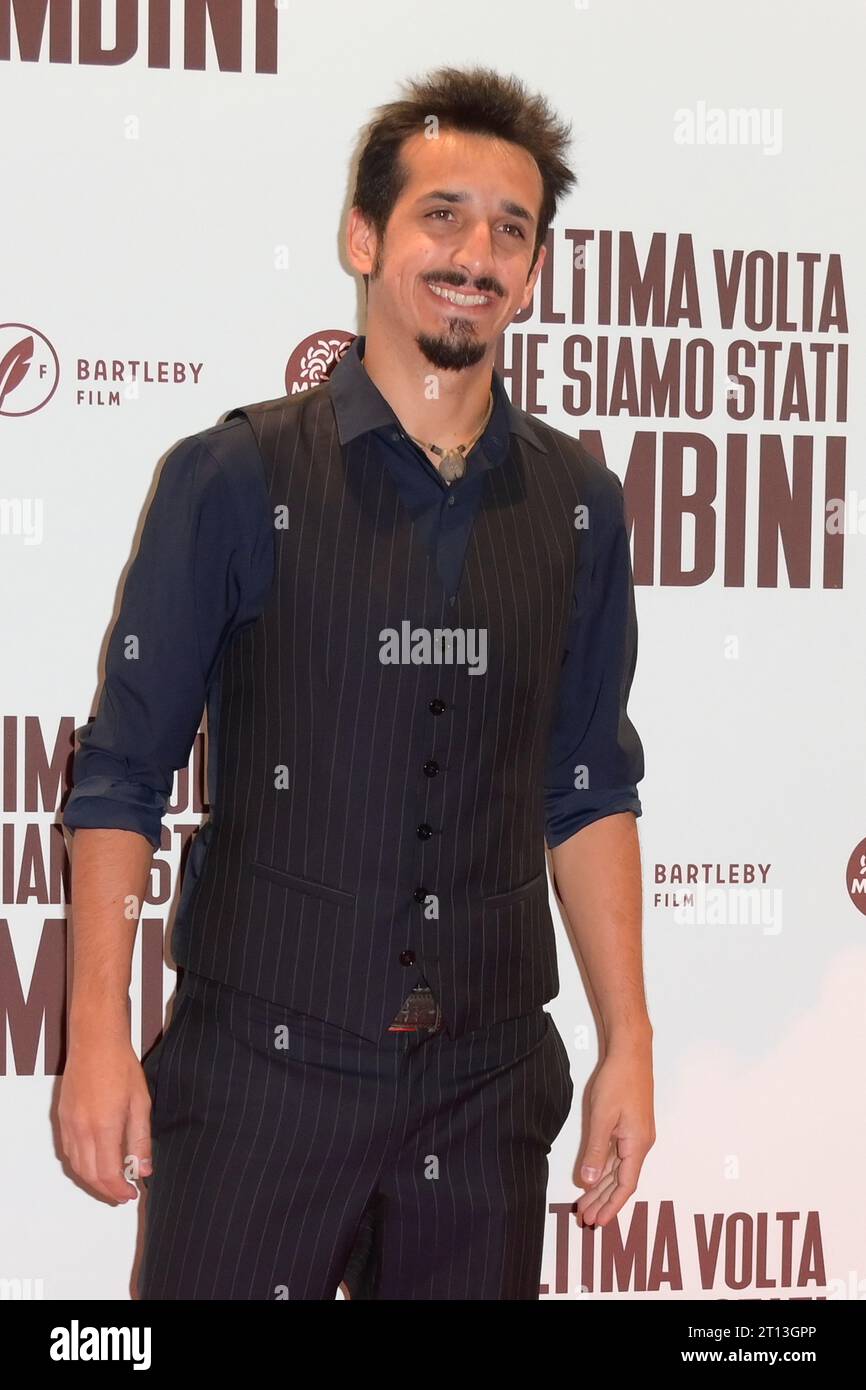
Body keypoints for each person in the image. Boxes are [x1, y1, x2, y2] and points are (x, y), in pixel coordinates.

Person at [59, 64, 654, 1301]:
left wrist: (627, 1040)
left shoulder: (581, 508)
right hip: (258, 1079)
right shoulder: (230, 478)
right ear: (363, 233)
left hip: (487, 1095)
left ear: (533, 271)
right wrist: (100, 1037)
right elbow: (120, 776)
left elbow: (587, 784)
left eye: (510, 229)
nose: (475, 252)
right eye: (442, 213)